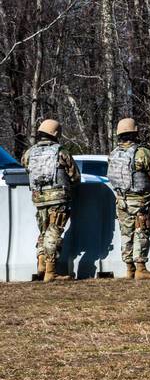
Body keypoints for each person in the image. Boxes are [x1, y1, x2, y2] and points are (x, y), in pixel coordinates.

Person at [21, 118, 81, 282]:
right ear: (56, 134)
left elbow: (26, 168)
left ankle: (41, 261)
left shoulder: (29, 152)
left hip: (39, 198)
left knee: (44, 231)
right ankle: (50, 271)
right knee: (54, 232)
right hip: (58, 197)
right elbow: (74, 176)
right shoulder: (60, 151)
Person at [108, 118, 150, 279]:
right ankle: (141, 268)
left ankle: (129, 268)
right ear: (135, 132)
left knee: (126, 233)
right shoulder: (142, 152)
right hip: (140, 200)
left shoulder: (114, 153)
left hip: (121, 200)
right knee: (141, 232)